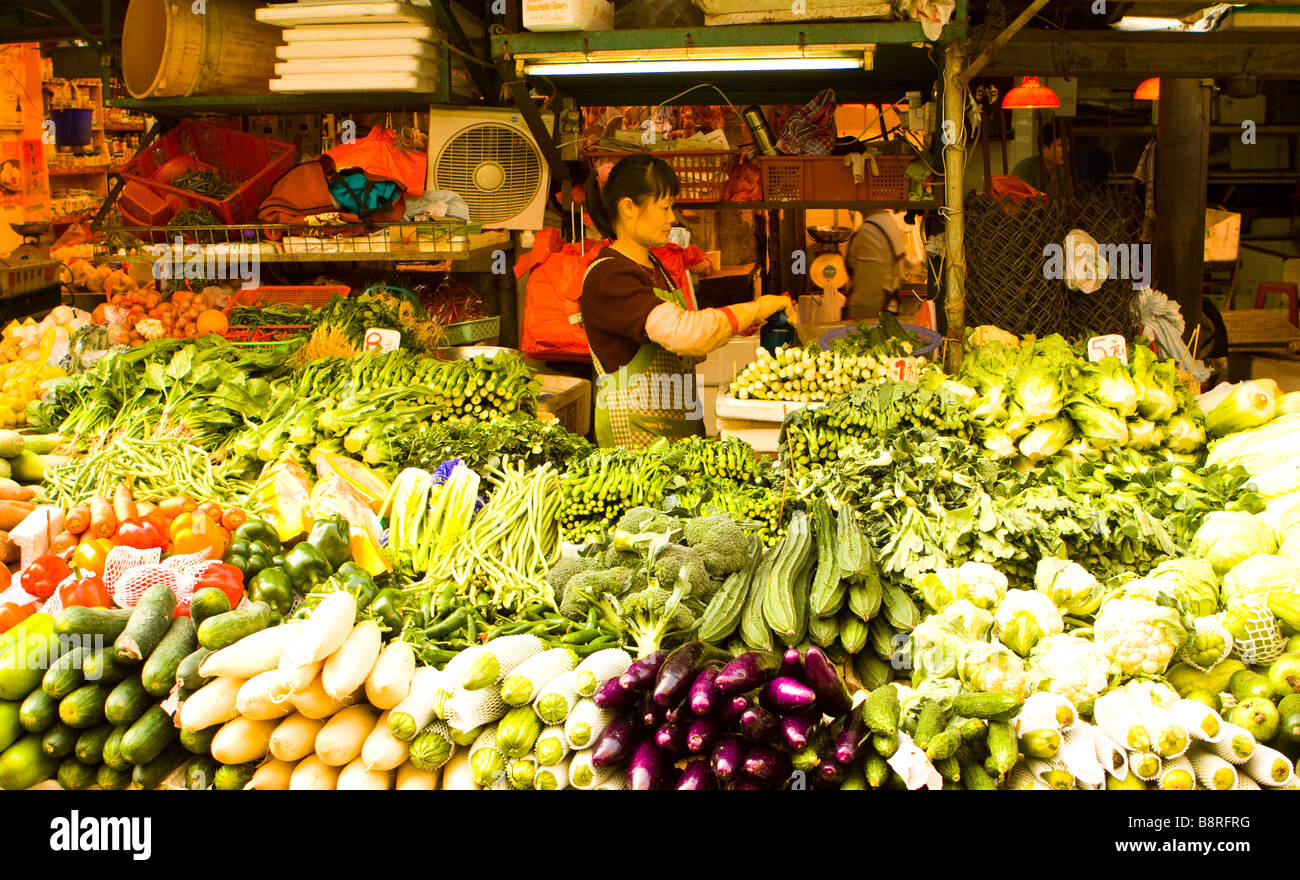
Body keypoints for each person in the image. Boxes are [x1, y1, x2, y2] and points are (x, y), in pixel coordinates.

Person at [580, 154, 795, 449]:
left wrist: (740, 325)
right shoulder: (610, 276)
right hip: (636, 450)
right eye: (665, 207)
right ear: (629, 207)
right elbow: (687, 335)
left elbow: (682, 349)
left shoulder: (654, 266)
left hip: (678, 437)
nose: (671, 218)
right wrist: (757, 308)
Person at [845, 210, 907, 321]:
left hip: (874, 314)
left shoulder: (870, 230)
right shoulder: (887, 221)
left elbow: (870, 289)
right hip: (888, 308)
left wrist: (858, 318)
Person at [1011, 123, 1066, 197]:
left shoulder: (1063, 173)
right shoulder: (1025, 169)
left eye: (1067, 145)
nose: (1066, 150)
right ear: (1044, 147)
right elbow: (1017, 201)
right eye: (1060, 145)